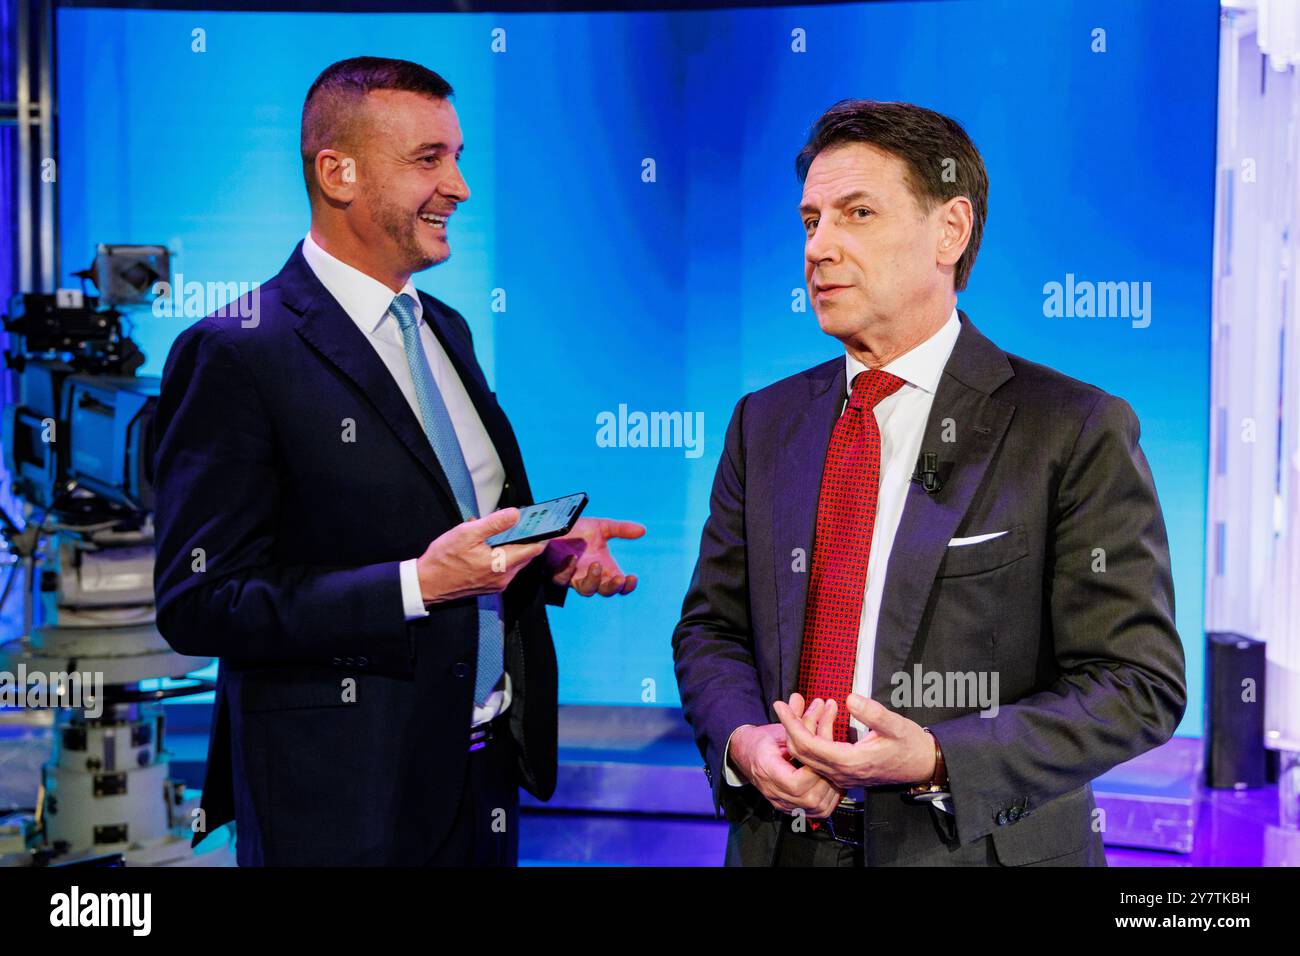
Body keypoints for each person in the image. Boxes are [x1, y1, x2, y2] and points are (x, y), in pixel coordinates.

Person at [151, 56, 643, 866]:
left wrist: (544, 554)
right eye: (428, 160)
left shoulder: (444, 326)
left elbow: (454, 525)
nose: (459, 188)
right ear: (336, 173)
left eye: (458, 157)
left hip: (483, 777)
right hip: (341, 804)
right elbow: (202, 601)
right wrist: (420, 584)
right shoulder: (234, 352)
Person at [671, 99, 1187, 866]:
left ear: (950, 230)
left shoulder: (1070, 426)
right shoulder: (763, 421)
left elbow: (1136, 683)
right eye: (811, 221)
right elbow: (711, 630)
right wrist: (745, 741)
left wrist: (940, 757)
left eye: (857, 213)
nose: (820, 247)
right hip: (782, 848)